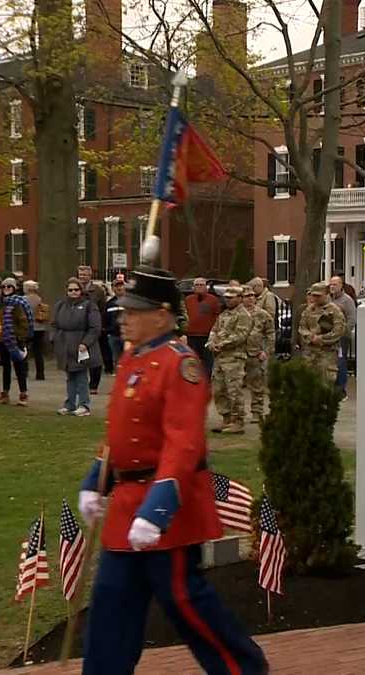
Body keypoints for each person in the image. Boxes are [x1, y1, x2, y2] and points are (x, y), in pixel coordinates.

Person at [76, 265, 267, 674]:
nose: (123, 317)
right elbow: (121, 431)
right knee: (111, 601)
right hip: (127, 506)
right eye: (122, 310)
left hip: (166, 512)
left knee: (186, 603)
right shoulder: (132, 359)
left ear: (161, 315)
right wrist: (96, 482)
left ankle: (243, 668)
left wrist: (156, 511)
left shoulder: (181, 364)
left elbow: (184, 444)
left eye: (133, 311)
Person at [53, 278, 102, 416]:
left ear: (81, 291)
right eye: (70, 290)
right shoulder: (61, 305)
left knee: (81, 376)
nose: (73, 292)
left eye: (76, 289)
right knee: (70, 376)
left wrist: (85, 343)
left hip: (81, 346)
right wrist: (55, 338)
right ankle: (70, 404)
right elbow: (54, 324)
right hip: (64, 345)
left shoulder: (89, 305)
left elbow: (95, 327)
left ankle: (84, 405)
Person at [206, 286, 251, 434]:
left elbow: (241, 335)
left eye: (231, 297)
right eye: (226, 297)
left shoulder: (243, 315)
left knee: (234, 390)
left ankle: (238, 421)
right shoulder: (224, 314)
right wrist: (212, 342)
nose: (228, 300)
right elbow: (214, 329)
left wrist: (221, 344)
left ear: (239, 298)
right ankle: (226, 419)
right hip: (220, 358)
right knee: (219, 389)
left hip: (234, 358)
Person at [0, 277, 33, 406]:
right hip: (3, 339)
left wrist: (21, 338)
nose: (6, 289)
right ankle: (5, 393)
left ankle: (23, 393)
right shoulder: (1, 303)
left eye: (9, 287)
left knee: (19, 368)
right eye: (4, 287)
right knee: (5, 367)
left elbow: (23, 322)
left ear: (14, 288)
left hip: (15, 340)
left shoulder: (18, 303)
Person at [299, 282, 346, 384]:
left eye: (318, 296)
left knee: (326, 383)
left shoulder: (334, 311)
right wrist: (310, 337)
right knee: (309, 384)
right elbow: (302, 328)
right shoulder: (308, 310)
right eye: (313, 295)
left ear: (325, 295)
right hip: (310, 354)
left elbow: (338, 331)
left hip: (327, 354)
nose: (315, 298)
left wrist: (321, 339)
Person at [241, 287, 275, 424]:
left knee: (257, 385)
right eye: (246, 296)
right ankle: (237, 413)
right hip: (238, 354)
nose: (250, 298)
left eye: (252, 296)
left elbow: (271, 334)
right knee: (234, 386)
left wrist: (266, 351)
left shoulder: (263, 314)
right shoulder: (235, 314)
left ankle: (257, 412)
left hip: (255, 354)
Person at [185, 278, 222, 376]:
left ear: (206, 287)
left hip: (207, 336)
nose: (199, 287)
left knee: (208, 363)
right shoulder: (188, 300)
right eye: (197, 285)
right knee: (192, 361)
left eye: (201, 285)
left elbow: (218, 317)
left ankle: (207, 384)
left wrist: (215, 334)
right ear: (193, 287)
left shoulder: (213, 299)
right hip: (191, 336)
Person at [328, 275, 357, 399]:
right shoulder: (328, 299)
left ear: (341, 286)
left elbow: (352, 319)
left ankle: (341, 389)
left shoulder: (347, 300)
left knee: (340, 361)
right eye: (331, 284)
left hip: (341, 337)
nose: (332, 287)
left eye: (335, 284)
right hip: (329, 336)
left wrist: (343, 331)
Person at [23, 280, 49, 381]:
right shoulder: (39, 299)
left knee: (24, 350)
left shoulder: (24, 299)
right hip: (40, 327)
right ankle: (40, 373)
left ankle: (24, 372)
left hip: (27, 327)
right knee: (38, 352)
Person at [105, 279, 126, 365]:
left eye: (121, 285)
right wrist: (108, 330)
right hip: (113, 336)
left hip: (127, 336)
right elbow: (105, 319)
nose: (119, 288)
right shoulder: (109, 303)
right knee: (117, 360)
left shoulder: (130, 302)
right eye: (116, 286)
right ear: (113, 288)